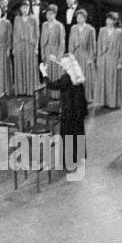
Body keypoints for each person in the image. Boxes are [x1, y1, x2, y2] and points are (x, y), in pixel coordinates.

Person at [43, 52, 87, 180]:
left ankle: (69, 160)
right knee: (77, 133)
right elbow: (66, 62)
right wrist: (55, 60)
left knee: (68, 135)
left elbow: (52, 86)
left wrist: (44, 72)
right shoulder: (77, 72)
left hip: (69, 112)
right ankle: (77, 157)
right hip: (78, 111)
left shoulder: (66, 79)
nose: (61, 65)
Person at [94, 11, 122, 108]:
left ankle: (112, 102)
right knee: (103, 79)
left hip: (113, 59)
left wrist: (120, 61)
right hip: (103, 58)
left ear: (115, 21)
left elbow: (121, 47)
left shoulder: (119, 32)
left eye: (111, 19)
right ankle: (103, 101)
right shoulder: (102, 30)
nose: (108, 21)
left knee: (112, 80)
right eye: (107, 19)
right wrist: (98, 59)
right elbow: (98, 45)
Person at [12, 0, 39, 95]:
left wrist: (36, 48)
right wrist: (14, 47)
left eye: (26, 7)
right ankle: (21, 90)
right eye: (23, 8)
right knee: (20, 67)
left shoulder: (34, 18)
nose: (24, 10)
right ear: (20, 9)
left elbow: (37, 34)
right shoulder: (17, 19)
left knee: (30, 67)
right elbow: (14, 33)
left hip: (30, 45)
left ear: (29, 8)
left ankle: (31, 90)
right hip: (19, 45)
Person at [69, 7, 97, 102]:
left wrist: (91, 58)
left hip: (86, 55)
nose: (79, 19)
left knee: (86, 76)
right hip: (76, 55)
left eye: (81, 17)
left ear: (85, 18)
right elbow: (70, 42)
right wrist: (70, 56)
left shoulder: (90, 29)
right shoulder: (73, 28)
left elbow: (93, 45)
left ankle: (87, 97)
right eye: (77, 17)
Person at [39, 4, 65, 83]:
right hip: (47, 51)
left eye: (51, 14)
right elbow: (42, 40)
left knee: (55, 72)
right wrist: (42, 53)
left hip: (55, 51)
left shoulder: (59, 26)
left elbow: (62, 42)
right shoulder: (44, 25)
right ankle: (48, 92)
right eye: (47, 14)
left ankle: (55, 94)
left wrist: (59, 56)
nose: (49, 16)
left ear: (55, 14)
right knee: (46, 72)